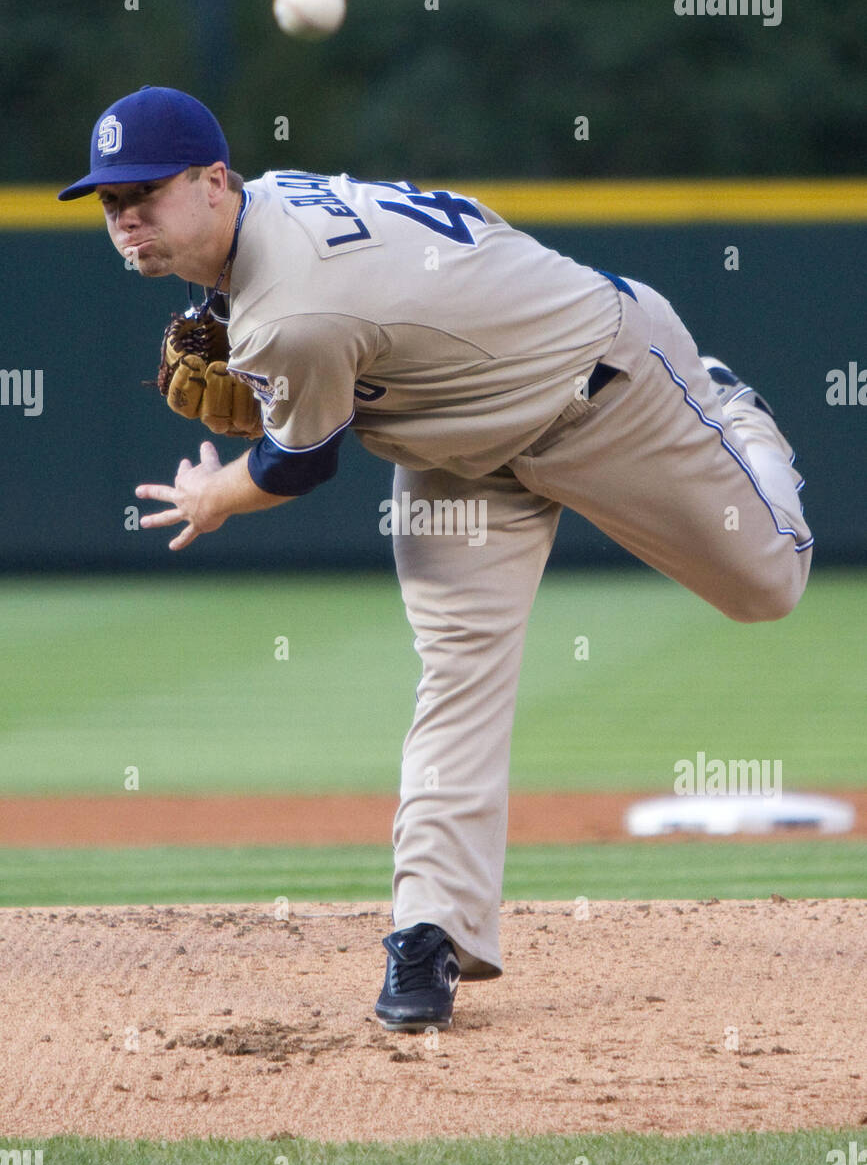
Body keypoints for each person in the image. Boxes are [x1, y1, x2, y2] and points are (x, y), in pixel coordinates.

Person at [59, 86, 813, 1032]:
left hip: (603, 391)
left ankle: (733, 413)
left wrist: (212, 495)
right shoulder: (266, 226)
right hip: (456, 451)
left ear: (216, 181)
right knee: (456, 675)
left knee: (766, 589)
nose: (126, 217)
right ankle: (429, 931)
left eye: (146, 192)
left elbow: (298, 464)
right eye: (109, 201)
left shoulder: (292, 314)